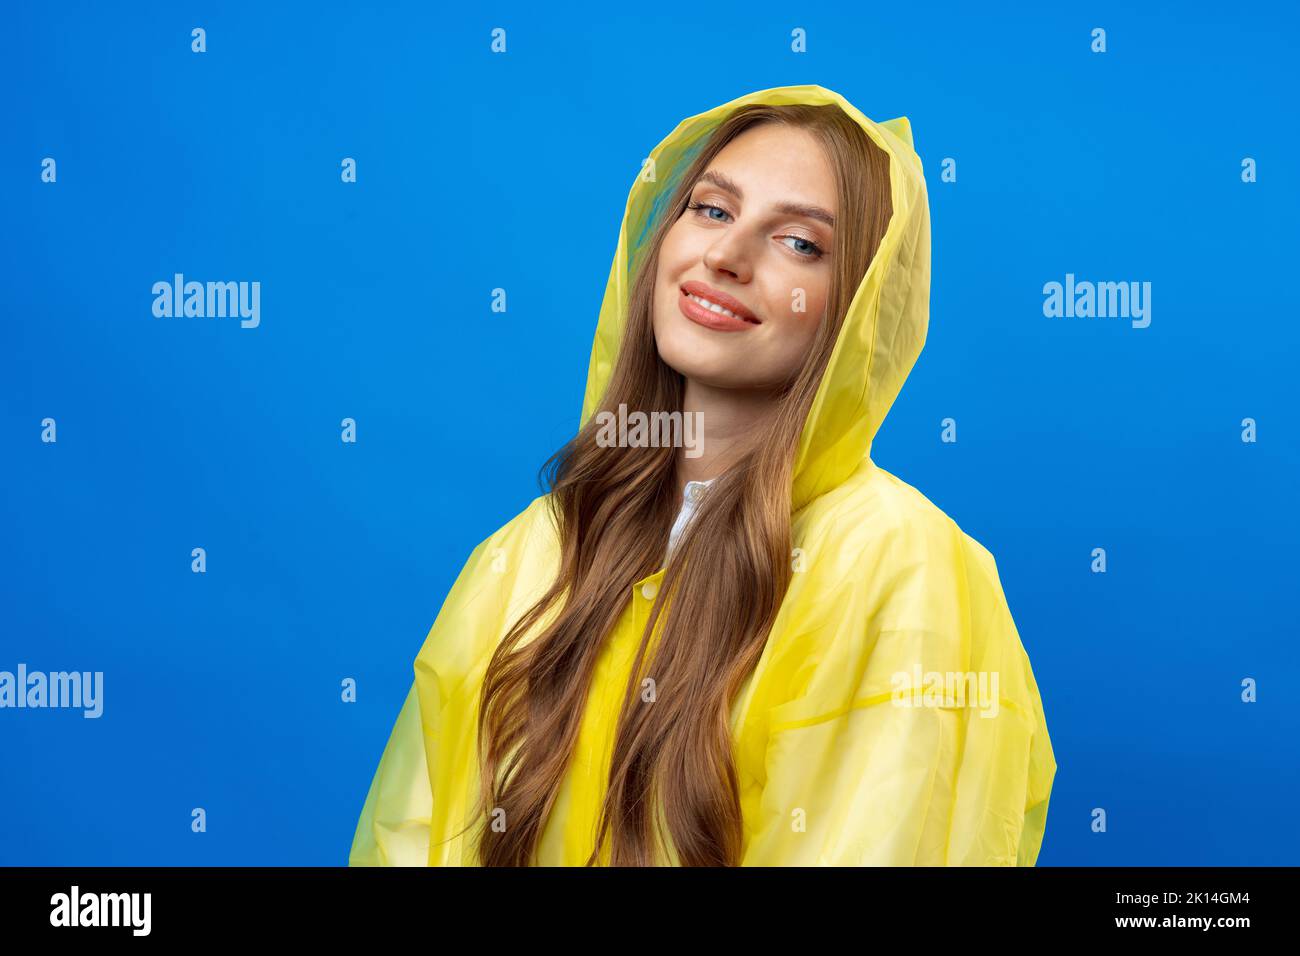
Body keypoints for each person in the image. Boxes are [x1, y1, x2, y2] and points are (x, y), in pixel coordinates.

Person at [349, 84, 1057, 867]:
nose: (725, 256)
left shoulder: (902, 565)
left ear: (858, 306)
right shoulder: (532, 552)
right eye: (712, 210)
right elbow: (413, 834)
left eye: (799, 243)